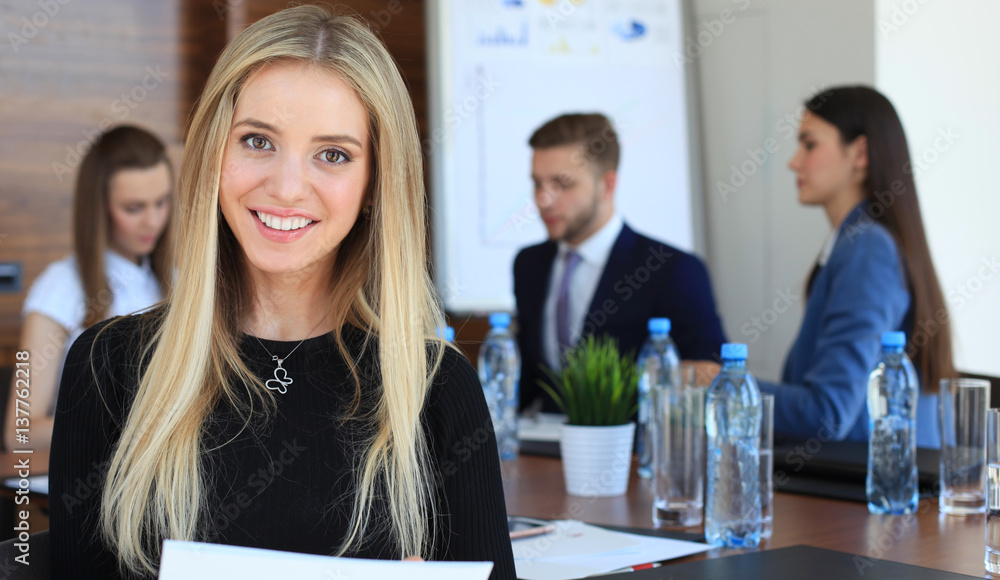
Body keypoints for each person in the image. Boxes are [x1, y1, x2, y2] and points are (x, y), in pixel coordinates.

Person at [49, 6, 515, 579]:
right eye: (257, 141)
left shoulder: (438, 388)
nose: (288, 187)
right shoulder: (106, 367)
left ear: (375, 183)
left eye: (333, 154)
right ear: (213, 154)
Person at [759, 86, 954, 447]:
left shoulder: (868, 248)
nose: (794, 162)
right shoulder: (856, 241)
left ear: (860, 153)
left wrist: (720, 385)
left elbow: (827, 414)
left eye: (809, 145)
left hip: (870, 479)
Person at [514, 113, 727, 413]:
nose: (543, 199)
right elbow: (528, 380)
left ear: (607, 185)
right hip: (542, 439)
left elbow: (712, 373)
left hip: (632, 440)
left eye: (562, 184)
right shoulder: (529, 264)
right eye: (538, 183)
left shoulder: (672, 270)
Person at [3, 125, 172, 452]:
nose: (152, 221)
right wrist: (128, 426)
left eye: (161, 202)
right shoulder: (59, 289)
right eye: (134, 208)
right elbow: (19, 432)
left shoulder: (175, 281)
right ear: (99, 208)